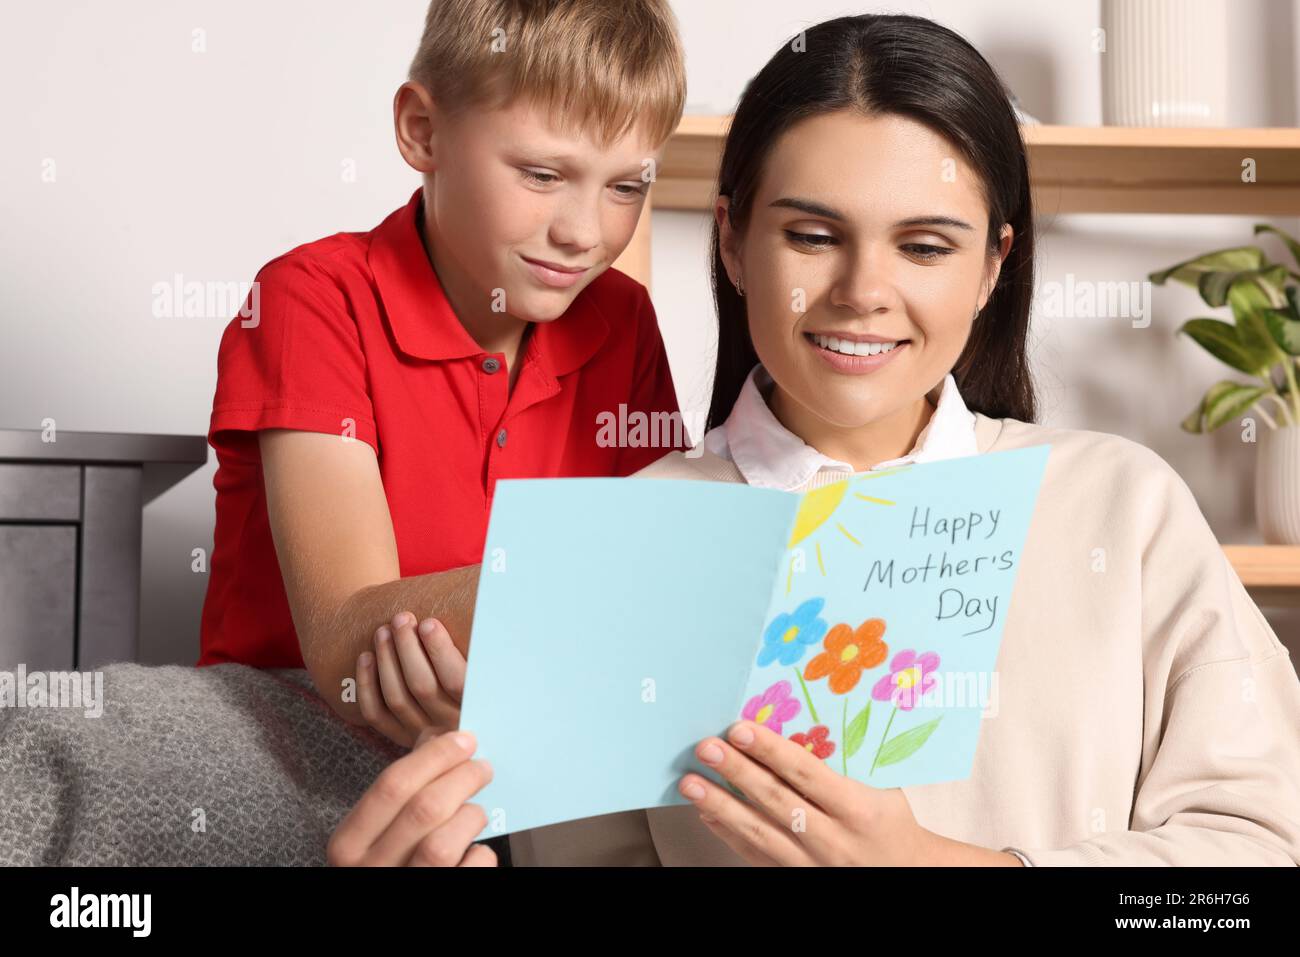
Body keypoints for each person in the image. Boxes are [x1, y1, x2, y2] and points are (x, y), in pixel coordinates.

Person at [338, 12, 1300, 867]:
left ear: (992, 267)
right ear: (731, 241)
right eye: (811, 235)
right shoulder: (632, 540)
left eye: (925, 246)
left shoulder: (1120, 508)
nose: (862, 292)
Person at [197, 0, 689, 753]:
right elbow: (345, 650)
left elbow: (659, 603)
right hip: (293, 736)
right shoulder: (310, 298)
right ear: (422, 130)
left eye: (626, 187)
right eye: (542, 173)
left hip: (526, 736)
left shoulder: (621, 319)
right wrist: (613, 592)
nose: (585, 233)